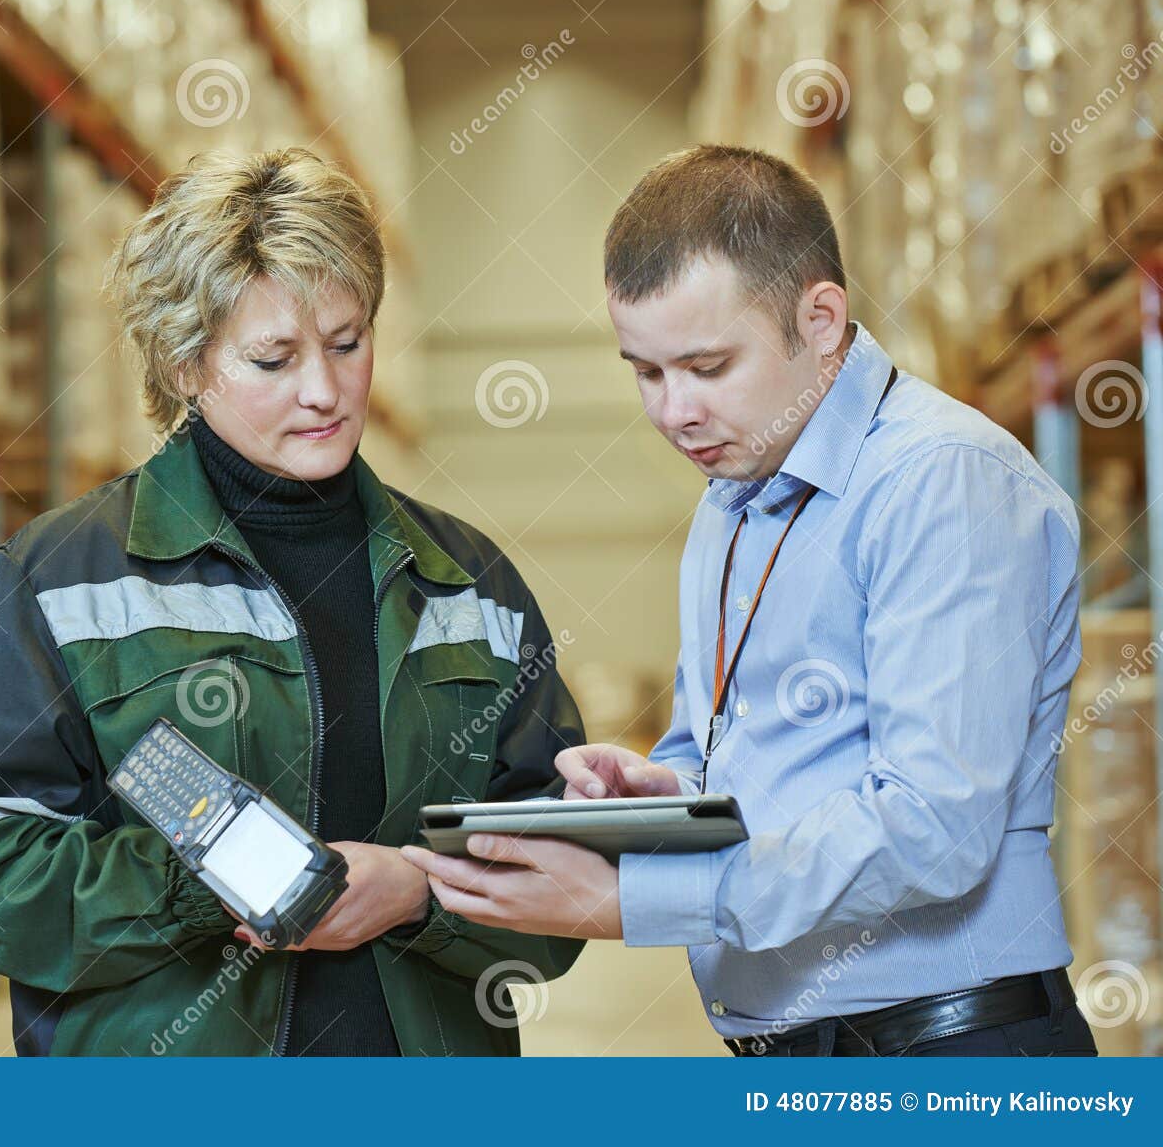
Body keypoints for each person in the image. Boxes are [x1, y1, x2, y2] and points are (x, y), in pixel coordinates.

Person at [402, 144, 1095, 1057]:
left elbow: (932, 826)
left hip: (951, 1051)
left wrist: (636, 901)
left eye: (707, 366)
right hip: (805, 1050)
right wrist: (664, 796)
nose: (673, 412)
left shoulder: (942, 484)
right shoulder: (735, 499)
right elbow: (744, 749)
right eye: (647, 372)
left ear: (820, 319)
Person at [0, 147, 585, 1056]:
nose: (324, 391)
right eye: (273, 359)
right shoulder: (62, 577)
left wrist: (422, 892)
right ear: (185, 366)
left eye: (347, 343)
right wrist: (206, 881)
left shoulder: (469, 581)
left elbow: (566, 872)